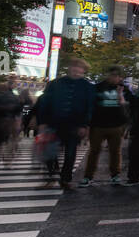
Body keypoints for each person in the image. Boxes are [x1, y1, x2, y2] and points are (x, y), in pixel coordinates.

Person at [35, 58, 94, 191]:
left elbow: (89, 108)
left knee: (71, 154)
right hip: (53, 124)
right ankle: (50, 177)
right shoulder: (55, 84)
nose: (77, 70)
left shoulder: (88, 87)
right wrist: (42, 122)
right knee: (50, 153)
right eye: (74, 67)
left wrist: (85, 125)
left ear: (84, 70)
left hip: (75, 125)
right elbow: (44, 103)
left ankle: (65, 179)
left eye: (80, 68)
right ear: (69, 68)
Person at [82, 65, 130, 187]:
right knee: (94, 151)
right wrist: (87, 124)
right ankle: (88, 176)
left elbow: (129, 106)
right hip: (98, 125)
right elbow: (90, 105)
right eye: (112, 75)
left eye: (117, 76)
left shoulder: (124, 89)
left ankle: (115, 175)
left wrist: (121, 97)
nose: (114, 78)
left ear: (120, 77)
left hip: (116, 125)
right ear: (108, 75)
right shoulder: (97, 87)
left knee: (115, 151)